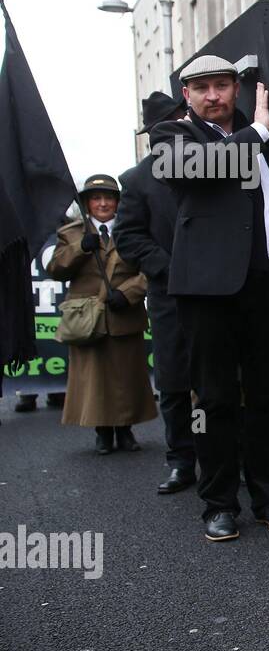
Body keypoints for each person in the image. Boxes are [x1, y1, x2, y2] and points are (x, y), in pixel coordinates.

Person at [150, 55, 269, 542]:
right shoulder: (172, 137)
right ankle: (218, 504)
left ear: (237, 88)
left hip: (268, 280)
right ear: (186, 94)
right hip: (207, 288)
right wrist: (257, 132)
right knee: (214, 400)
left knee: (266, 398)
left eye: (222, 85)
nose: (213, 95)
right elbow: (202, 170)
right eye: (202, 88)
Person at [115, 90, 194, 493]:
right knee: (174, 382)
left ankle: (231, 455)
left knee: (223, 381)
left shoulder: (217, 163)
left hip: (219, 291)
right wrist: (167, 266)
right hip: (168, 296)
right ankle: (181, 460)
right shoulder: (137, 179)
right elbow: (128, 236)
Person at [46, 175, 158, 453]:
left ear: (118, 202)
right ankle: (102, 433)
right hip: (87, 320)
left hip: (124, 314)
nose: (103, 203)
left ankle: (126, 431)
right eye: (96, 198)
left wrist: (129, 292)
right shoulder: (71, 232)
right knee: (94, 382)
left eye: (109, 197)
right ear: (87, 203)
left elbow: (152, 268)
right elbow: (56, 269)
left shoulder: (134, 229)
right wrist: (79, 249)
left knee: (126, 378)